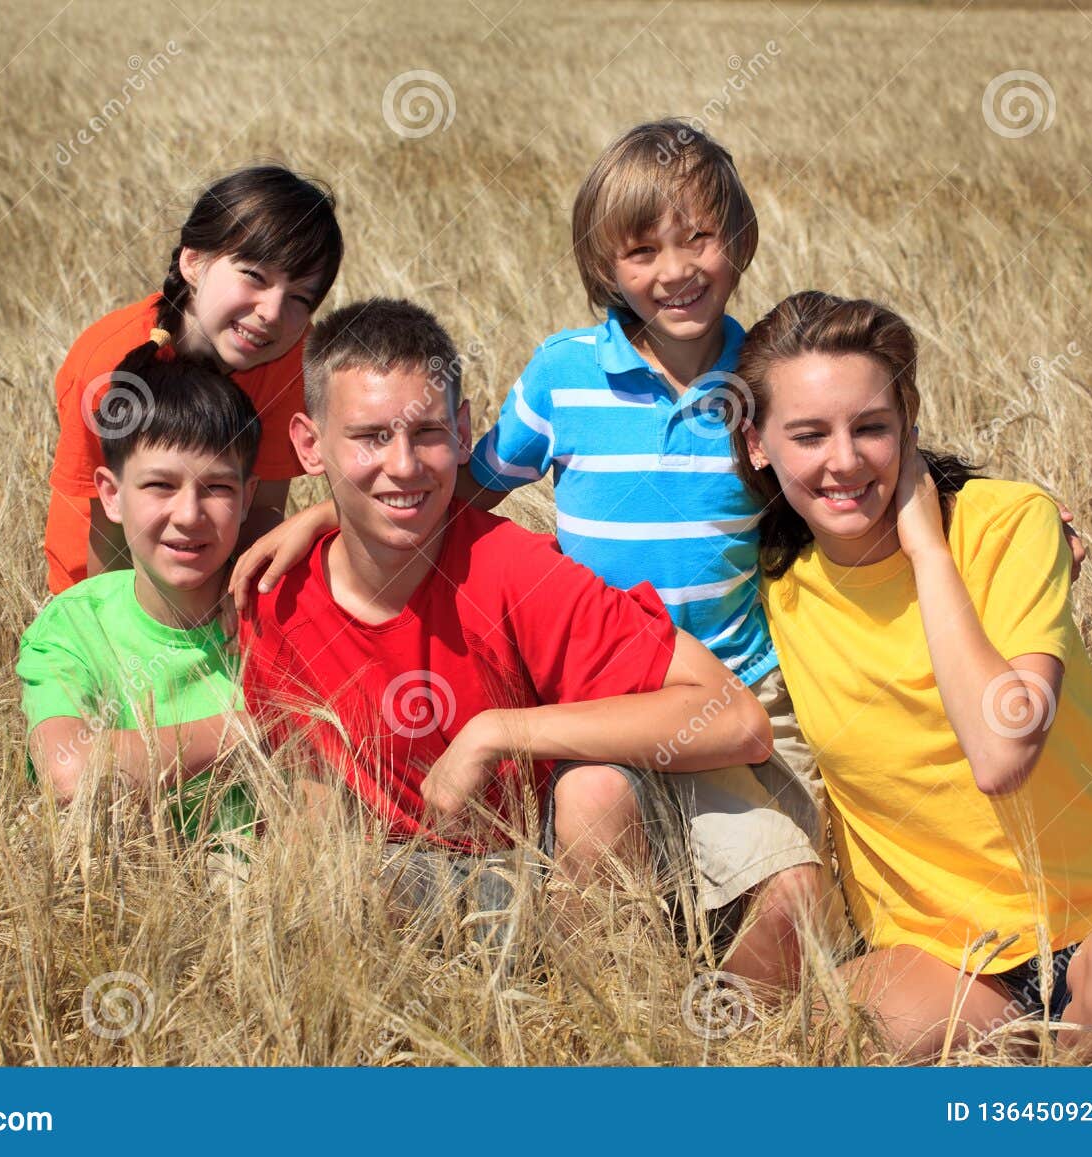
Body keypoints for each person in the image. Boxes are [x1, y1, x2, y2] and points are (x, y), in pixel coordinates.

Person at [235, 122, 839, 990]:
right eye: (641, 248)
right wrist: (326, 519)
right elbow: (453, 488)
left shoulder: (766, 372)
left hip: (731, 694)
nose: (675, 269)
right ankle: (592, 988)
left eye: (699, 237)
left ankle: (701, 1027)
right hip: (594, 698)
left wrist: (1006, 512)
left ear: (738, 240)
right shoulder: (565, 376)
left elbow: (851, 463)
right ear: (606, 265)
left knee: (796, 905)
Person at [734, 290, 1092, 1062]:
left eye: (872, 427)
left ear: (909, 423)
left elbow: (1001, 751)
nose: (845, 460)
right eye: (809, 434)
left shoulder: (1007, 523)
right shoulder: (767, 577)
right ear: (757, 444)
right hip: (946, 948)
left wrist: (927, 551)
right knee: (829, 1040)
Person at [238, 298, 774, 940]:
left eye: (428, 434)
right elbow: (309, 787)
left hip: (541, 873)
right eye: (371, 437)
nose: (404, 465)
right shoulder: (276, 595)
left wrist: (500, 732)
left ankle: (586, 1004)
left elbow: (737, 719)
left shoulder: (515, 568)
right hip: (384, 880)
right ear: (308, 444)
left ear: (463, 432)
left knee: (598, 790)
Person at [43, 164, 343, 594]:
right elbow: (105, 534)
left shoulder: (292, 358)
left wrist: (236, 611)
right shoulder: (106, 367)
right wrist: (113, 638)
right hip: (98, 580)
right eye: (254, 275)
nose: (273, 313)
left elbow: (261, 511)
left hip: (211, 571)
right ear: (194, 261)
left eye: (299, 298)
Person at [19, 348, 262, 843]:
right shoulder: (75, 624)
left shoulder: (280, 611)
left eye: (217, 487)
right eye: (160, 485)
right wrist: (254, 727)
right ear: (111, 494)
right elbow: (69, 773)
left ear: (248, 498)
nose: (190, 514)